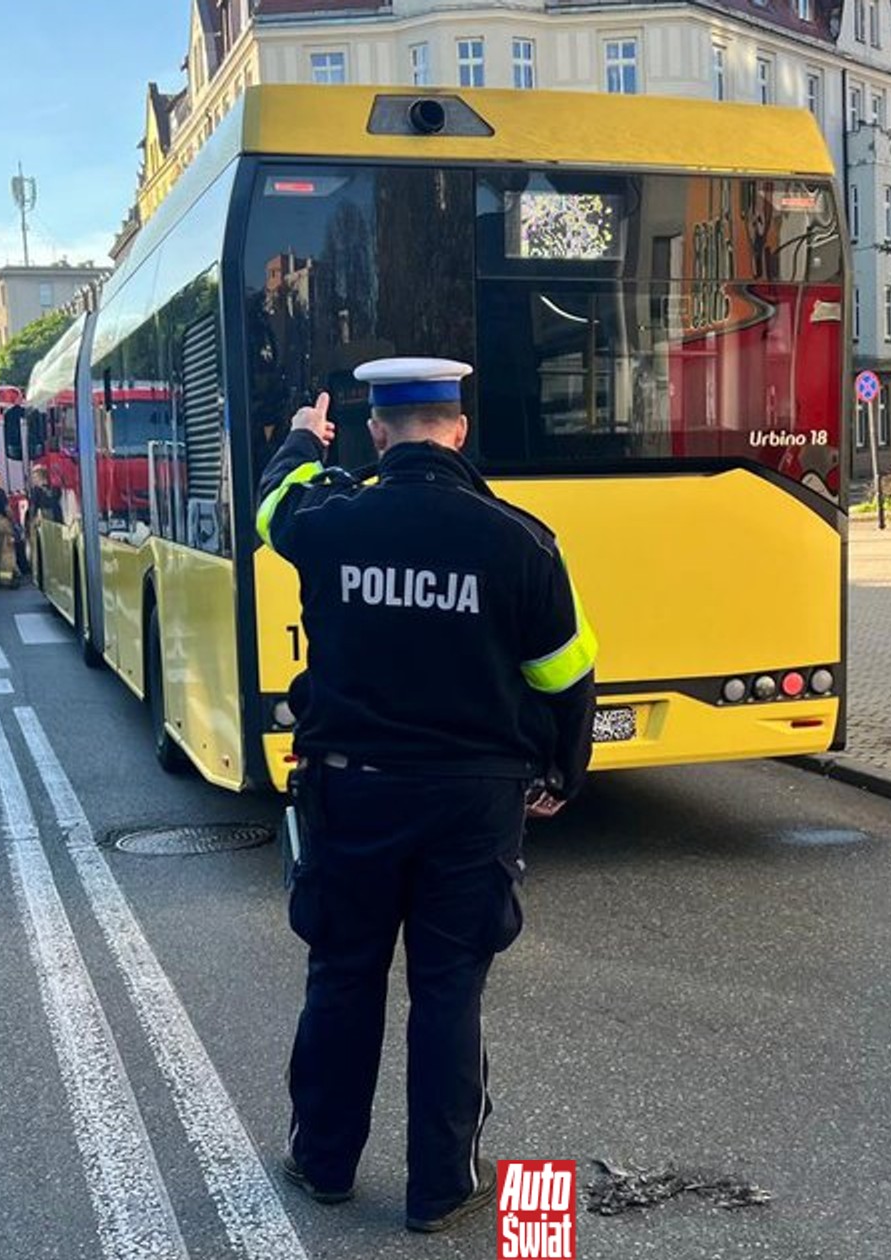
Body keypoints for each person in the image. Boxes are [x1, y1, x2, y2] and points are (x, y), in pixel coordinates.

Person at [259, 357, 596, 1233]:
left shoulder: (329, 521)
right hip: (472, 804)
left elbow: (272, 506)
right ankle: (442, 1188)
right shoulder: (520, 540)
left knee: (342, 976)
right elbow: (567, 673)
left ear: (378, 433)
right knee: (450, 989)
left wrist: (303, 435)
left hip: (353, 794)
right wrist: (562, 770)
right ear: (460, 429)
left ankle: (323, 1162)